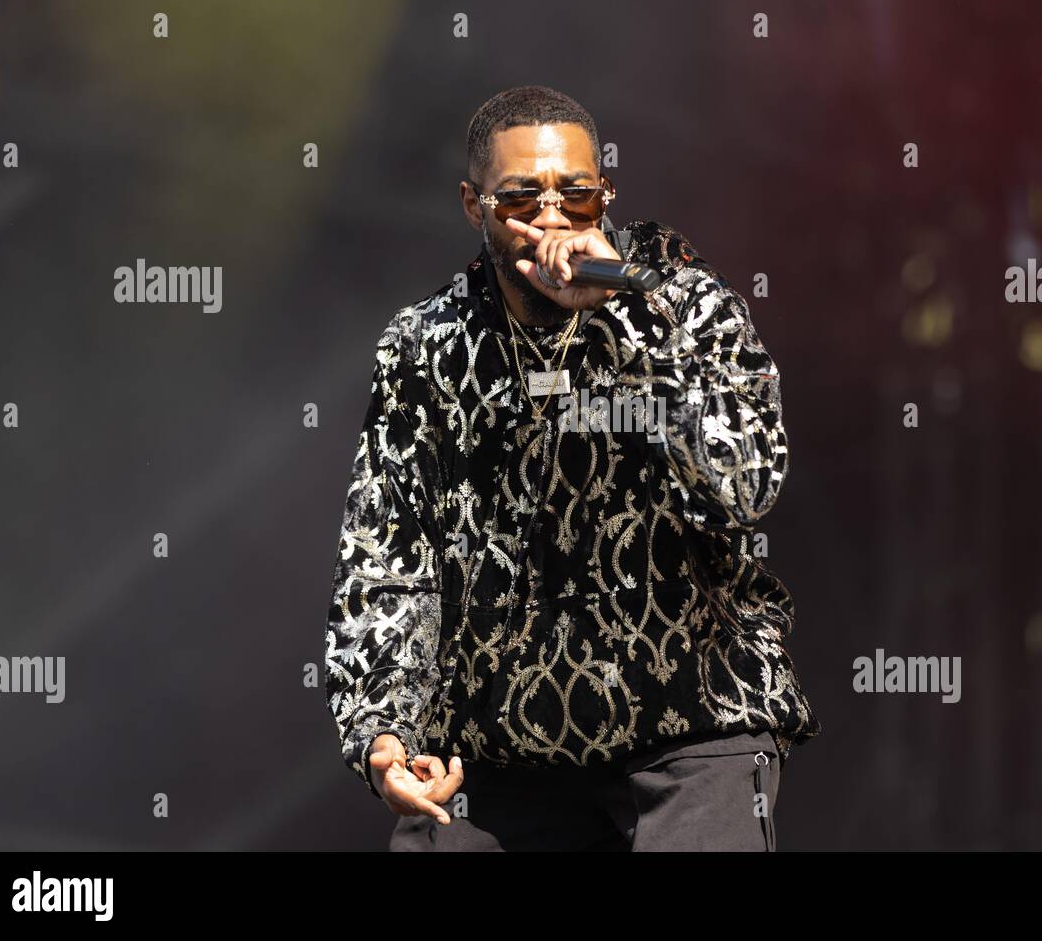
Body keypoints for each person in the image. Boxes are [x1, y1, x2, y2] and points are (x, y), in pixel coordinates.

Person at [324, 84, 819, 850]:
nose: (552, 218)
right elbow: (388, 559)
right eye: (522, 197)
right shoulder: (428, 347)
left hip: (694, 723)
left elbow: (744, 484)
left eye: (576, 195)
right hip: (503, 745)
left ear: (605, 194)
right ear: (473, 205)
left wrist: (624, 311)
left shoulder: (682, 303)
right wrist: (383, 732)